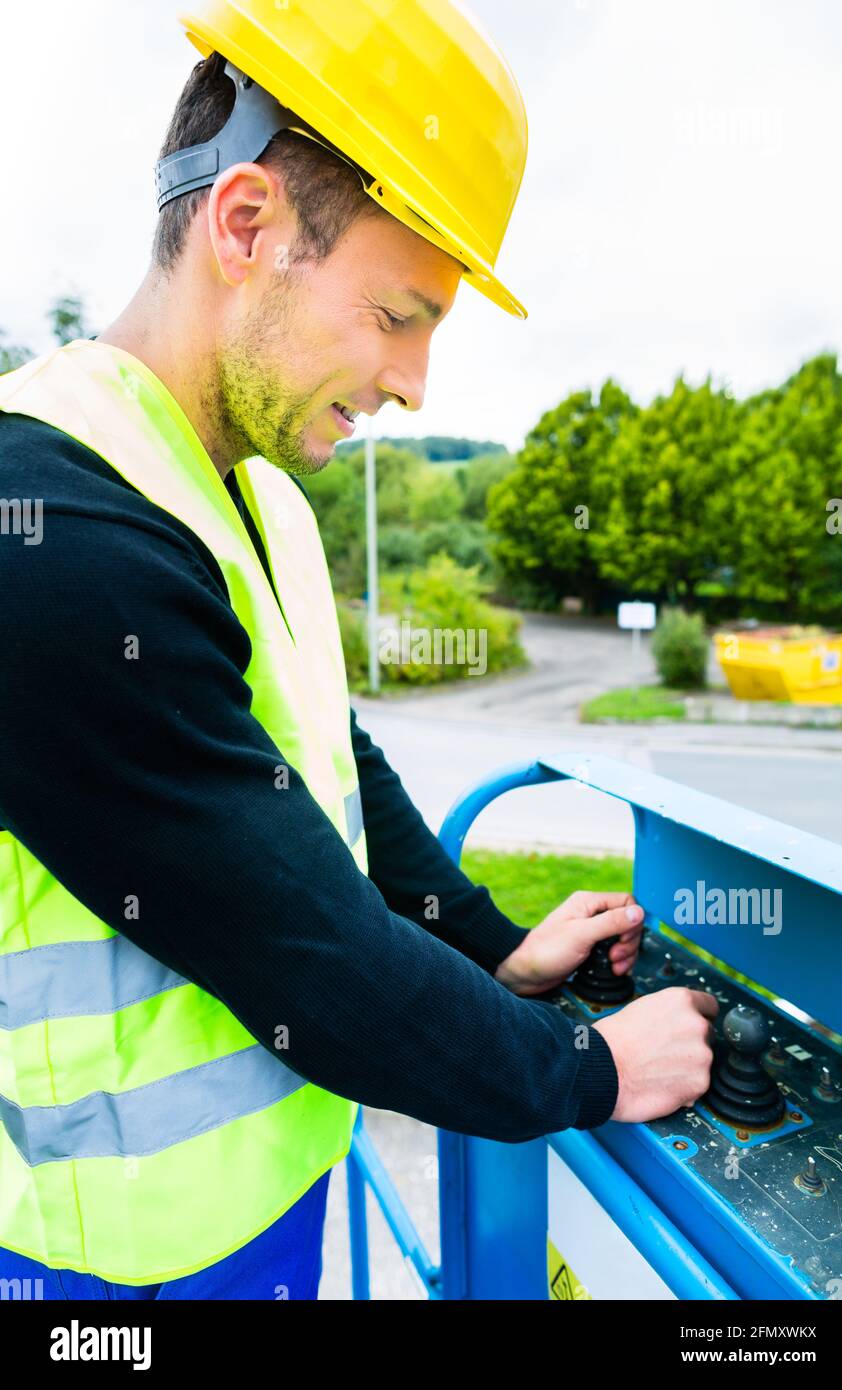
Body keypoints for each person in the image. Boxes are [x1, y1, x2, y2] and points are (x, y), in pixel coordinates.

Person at [0, 0, 717, 1300]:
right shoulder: (45, 527)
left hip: (273, 1200)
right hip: (108, 1268)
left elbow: (325, 752)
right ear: (245, 224)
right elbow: (305, 951)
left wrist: (486, 939)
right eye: (398, 313)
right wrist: (589, 1070)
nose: (417, 384)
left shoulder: (252, 493)